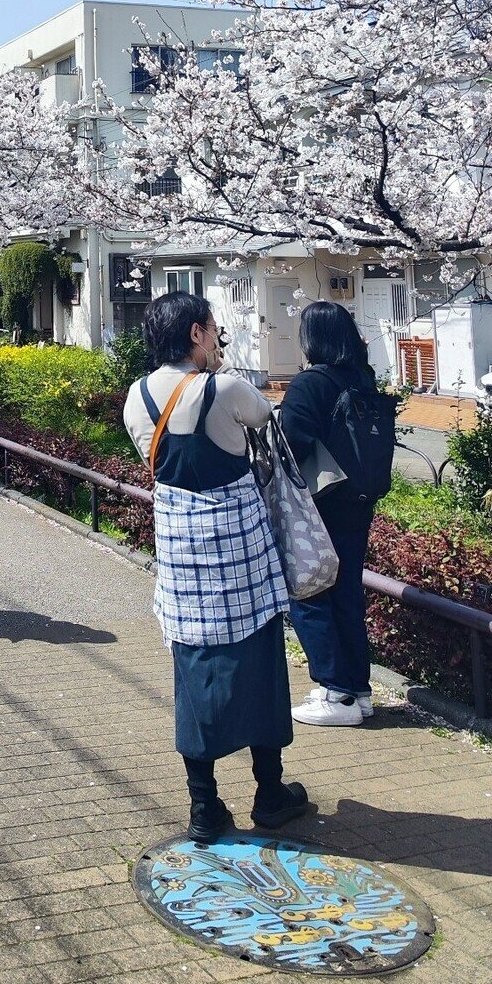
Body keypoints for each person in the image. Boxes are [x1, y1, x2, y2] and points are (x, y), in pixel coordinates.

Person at [123, 290, 309, 843]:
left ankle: (204, 806)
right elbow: (265, 417)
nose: (217, 338)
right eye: (213, 329)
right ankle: (269, 794)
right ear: (196, 334)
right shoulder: (221, 388)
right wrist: (219, 368)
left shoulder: (136, 396)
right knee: (260, 666)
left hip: (182, 555)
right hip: (240, 558)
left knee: (194, 670)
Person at [282, 302, 386, 727]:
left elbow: (291, 443)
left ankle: (335, 692)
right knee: (346, 593)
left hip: (319, 505)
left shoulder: (311, 383)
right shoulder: (363, 379)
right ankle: (359, 691)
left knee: (308, 591)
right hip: (358, 503)